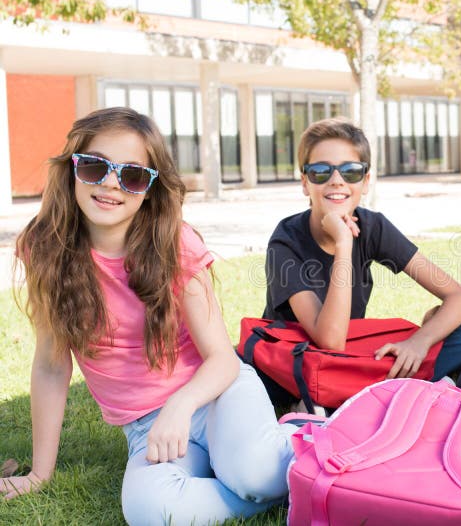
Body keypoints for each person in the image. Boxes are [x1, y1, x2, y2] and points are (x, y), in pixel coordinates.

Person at [1, 108, 297, 524]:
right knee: (150, 509)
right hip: (147, 429)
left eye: (133, 175)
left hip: (216, 395)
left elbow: (223, 359)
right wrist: (39, 473)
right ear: (72, 167)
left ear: (150, 189)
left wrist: (181, 404)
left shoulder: (176, 245)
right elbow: (51, 365)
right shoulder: (43, 248)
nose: (110, 183)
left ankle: (297, 440)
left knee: (257, 473)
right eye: (94, 166)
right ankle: (266, 480)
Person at [263, 118, 461, 386]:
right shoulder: (285, 242)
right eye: (320, 171)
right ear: (305, 183)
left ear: (366, 181)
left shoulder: (373, 226)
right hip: (301, 357)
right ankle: (383, 386)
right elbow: (329, 338)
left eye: (350, 171)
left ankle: (369, 386)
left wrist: (418, 343)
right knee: (260, 374)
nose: (337, 181)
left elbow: (460, 297)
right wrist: (343, 244)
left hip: (353, 355)